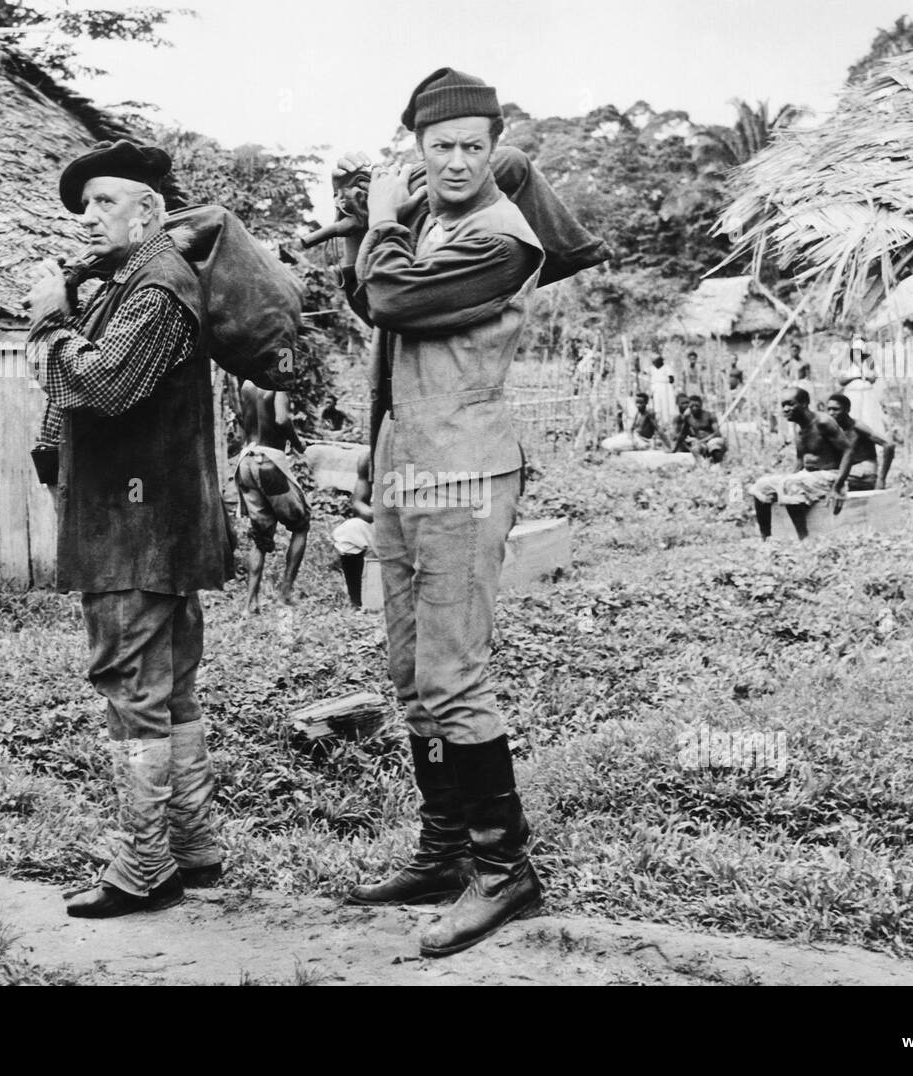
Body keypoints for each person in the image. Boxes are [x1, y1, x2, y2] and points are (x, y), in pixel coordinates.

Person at [333, 67, 550, 957]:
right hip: (405, 467)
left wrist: (383, 221)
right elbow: (373, 310)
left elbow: (389, 296)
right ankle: (443, 850)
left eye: (473, 146)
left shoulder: (501, 238)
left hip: (463, 472)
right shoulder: (434, 222)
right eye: (441, 147)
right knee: (410, 669)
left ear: (495, 147)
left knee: (454, 675)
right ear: (417, 150)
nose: (458, 161)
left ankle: (506, 875)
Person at [26, 139, 226, 918]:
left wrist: (48, 327)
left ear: (148, 211)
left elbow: (103, 385)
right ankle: (195, 847)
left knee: (130, 690)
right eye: (83, 205)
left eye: (104, 202)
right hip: (158, 522)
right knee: (170, 688)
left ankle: (144, 866)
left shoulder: (157, 286)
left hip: (134, 528)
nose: (88, 216)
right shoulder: (127, 283)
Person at [236, 379, 311, 614]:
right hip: (268, 462)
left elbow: (244, 424)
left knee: (260, 536)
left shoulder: (246, 385)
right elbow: (281, 419)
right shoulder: (277, 384)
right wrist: (299, 445)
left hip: (245, 461)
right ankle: (285, 593)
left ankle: (250, 604)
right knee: (301, 524)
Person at [748, 385, 855, 540]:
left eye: (790, 404)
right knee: (761, 485)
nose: (785, 409)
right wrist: (783, 481)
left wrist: (839, 486)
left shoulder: (823, 422)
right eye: (783, 405)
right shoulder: (799, 429)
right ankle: (766, 538)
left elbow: (848, 451)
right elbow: (800, 461)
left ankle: (803, 539)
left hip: (830, 476)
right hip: (807, 477)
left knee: (791, 484)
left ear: (804, 403)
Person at [331, 446, 375, 607]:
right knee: (348, 531)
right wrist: (381, 517)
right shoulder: (369, 457)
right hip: (384, 525)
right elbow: (358, 503)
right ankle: (357, 602)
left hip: (422, 528)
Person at [827, 392, 895, 490]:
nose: (831, 413)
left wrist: (881, 479)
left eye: (835, 409)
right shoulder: (833, 428)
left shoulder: (858, 427)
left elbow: (889, 445)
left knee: (824, 479)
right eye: (829, 409)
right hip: (847, 472)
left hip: (864, 474)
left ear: (847, 409)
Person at [830, 335, 888, 436]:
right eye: (856, 350)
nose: (858, 353)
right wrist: (856, 377)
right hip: (852, 395)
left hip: (867, 394)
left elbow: (874, 378)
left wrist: (866, 375)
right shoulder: (846, 361)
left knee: (869, 419)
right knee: (852, 418)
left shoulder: (869, 360)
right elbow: (841, 381)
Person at [602, 391, 669, 452]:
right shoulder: (638, 413)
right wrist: (632, 438)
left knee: (612, 447)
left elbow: (659, 429)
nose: (638, 405)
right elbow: (631, 429)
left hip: (642, 441)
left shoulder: (649, 413)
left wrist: (669, 445)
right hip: (633, 438)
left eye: (641, 403)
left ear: (646, 403)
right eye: (637, 403)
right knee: (605, 442)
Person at [673, 394, 726, 463]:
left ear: (701, 405)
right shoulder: (689, 418)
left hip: (712, 440)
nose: (694, 408)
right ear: (689, 406)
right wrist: (674, 450)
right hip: (701, 443)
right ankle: (703, 466)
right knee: (695, 449)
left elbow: (717, 434)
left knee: (714, 445)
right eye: (692, 406)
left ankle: (719, 465)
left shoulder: (710, 415)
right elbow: (682, 435)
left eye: (696, 405)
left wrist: (701, 440)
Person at [647, 352, 678, 426]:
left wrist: (663, 379)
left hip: (665, 389)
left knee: (665, 406)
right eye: (654, 361)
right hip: (655, 389)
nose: (656, 363)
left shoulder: (667, 367)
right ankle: (658, 424)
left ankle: (666, 424)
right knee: (656, 407)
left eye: (658, 360)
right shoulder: (651, 368)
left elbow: (671, 380)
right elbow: (643, 374)